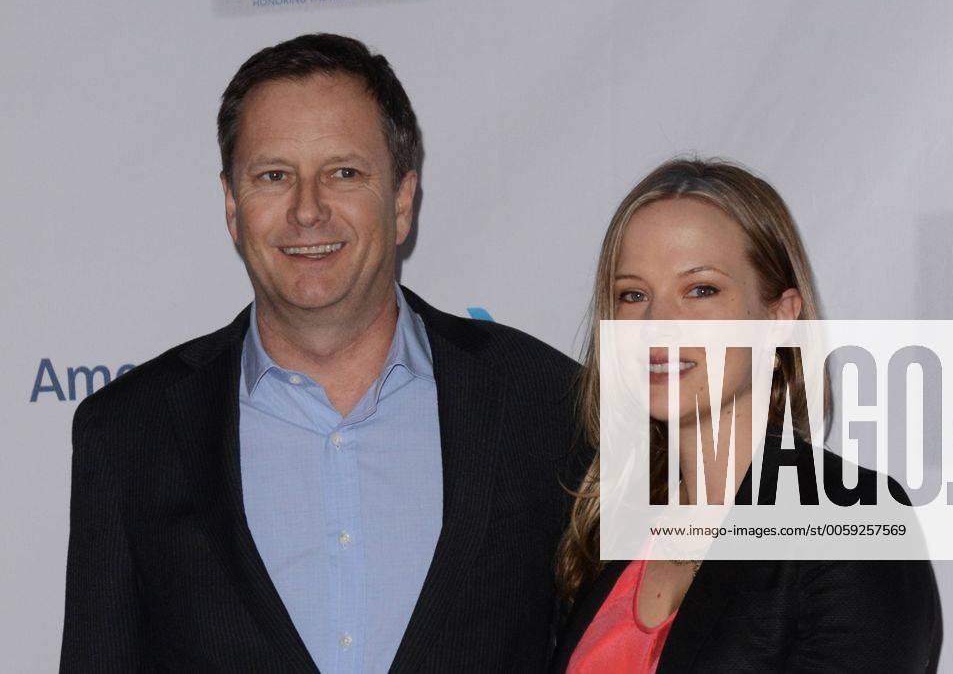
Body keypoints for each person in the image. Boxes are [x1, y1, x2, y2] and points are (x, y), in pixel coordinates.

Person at [60, 33, 585, 673]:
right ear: (232, 205)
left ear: (402, 201)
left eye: (344, 173)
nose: (307, 211)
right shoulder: (129, 434)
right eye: (274, 176)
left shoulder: (548, 403)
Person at [550, 158, 942, 672]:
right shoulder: (603, 532)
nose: (657, 322)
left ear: (780, 317)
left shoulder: (852, 521)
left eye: (701, 290)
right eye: (633, 295)